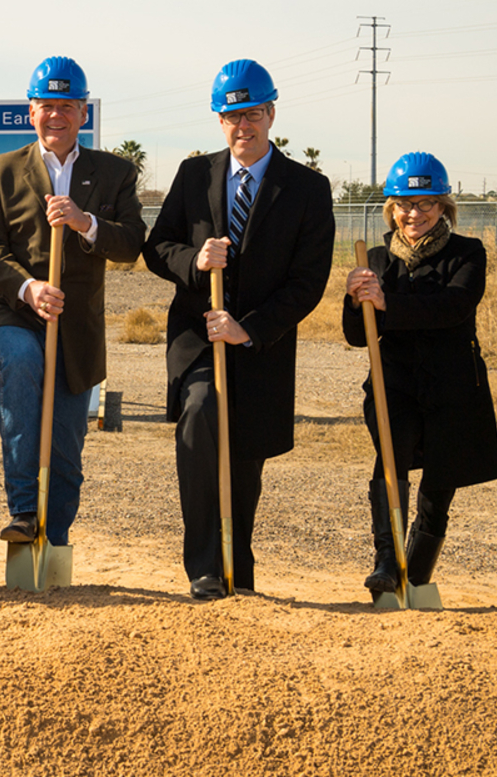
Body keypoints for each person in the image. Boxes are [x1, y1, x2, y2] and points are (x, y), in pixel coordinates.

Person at [143, 58, 335, 600]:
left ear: (271, 113)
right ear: (218, 120)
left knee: (245, 460)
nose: (242, 126)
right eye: (231, 116)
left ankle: (236, 565)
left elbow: (307, 281)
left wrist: (247, 329)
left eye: (252, 114)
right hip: (199, 336)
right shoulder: (193, 174)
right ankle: (204, 566)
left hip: (260, 345)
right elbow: (157, 248)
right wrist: (195, 261)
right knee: (201, 415)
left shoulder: (307, 188)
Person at [0, 55, 146, 549]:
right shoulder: (1, 172)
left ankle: (56, 538)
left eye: (66, 105)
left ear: (82, 113)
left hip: (77, 326)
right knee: (25, 363)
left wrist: (86, 223)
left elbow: (133, 242)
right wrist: (30, 288)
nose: (56, 115)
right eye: (46, 105)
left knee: (67, 445)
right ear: (31, 111)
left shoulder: (114, 173)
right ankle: (24, 513)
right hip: (13, 312)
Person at [342, 152, 497, 596]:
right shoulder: (375, 258)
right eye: (405, 204)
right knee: (390, 463)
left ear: (443, 206)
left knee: (439, 481)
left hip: (453, 386)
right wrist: (356, 301)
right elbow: (358, 336)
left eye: (426, 203)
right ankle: (386, 566)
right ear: (392, 208)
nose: (414, 214)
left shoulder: (467, 252)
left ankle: (417, 575)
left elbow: (453, 307)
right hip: (393, 382)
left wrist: (388, 303)